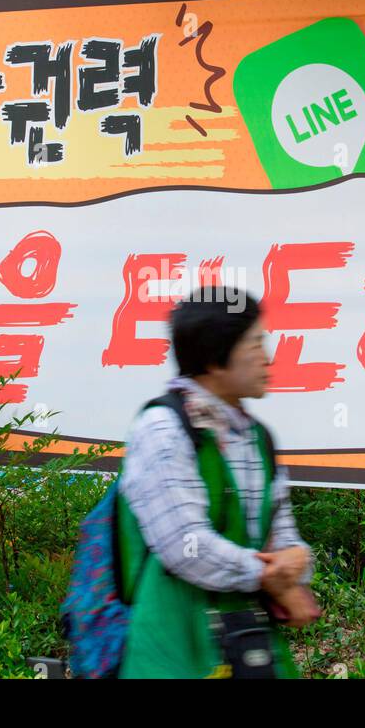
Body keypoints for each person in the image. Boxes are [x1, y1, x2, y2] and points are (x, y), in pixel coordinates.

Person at [118, 287, 320, 678]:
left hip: (246, 638)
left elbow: (282, 535)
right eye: (256, 345)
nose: (269, 358)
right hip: (175, 644)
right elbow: (184, 547)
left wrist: (294, 560)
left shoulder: (258, 437)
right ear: (215, 358)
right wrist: (266, 573)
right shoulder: (162, 430)